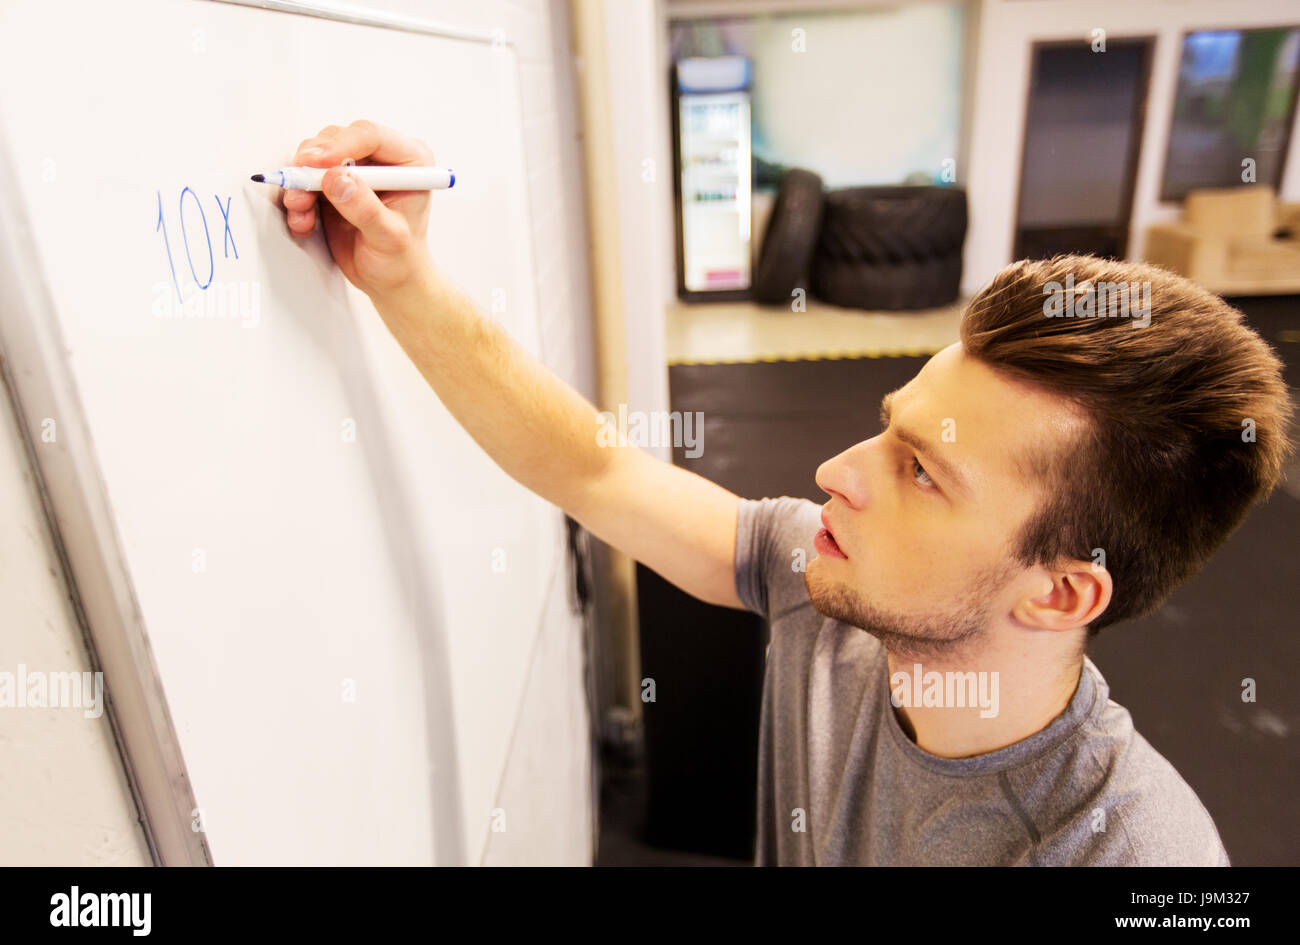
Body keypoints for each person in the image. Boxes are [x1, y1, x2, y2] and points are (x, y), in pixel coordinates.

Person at [278, 120, 1294, 866]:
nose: (834, 475)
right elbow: (593, 467)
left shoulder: (1126, 856)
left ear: (1060, 593)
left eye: (920, 471)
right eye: (888, 425)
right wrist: (403, 277)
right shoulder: (826, 585)